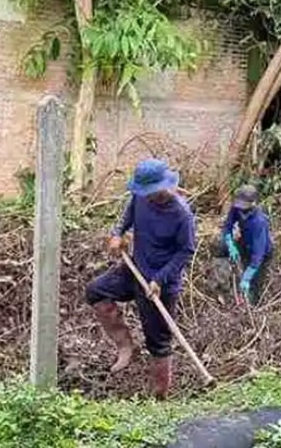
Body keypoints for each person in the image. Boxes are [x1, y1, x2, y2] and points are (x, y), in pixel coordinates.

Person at [85, 158, 196, 399]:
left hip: (161, 283)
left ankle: (159, 397)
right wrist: (117, 234)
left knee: (158, 341)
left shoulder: (182, 215)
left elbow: (185, 251)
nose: (148, 197)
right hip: (135, 269)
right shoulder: (140, 198)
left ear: (164, 186)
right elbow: (127, 218)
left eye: (152, 192)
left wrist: (160, 279)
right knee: (95, 291)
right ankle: (126, 346)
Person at [217, 184, 274, 305]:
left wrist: (247, 276)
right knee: (221, 248)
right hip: (244, 242)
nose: (241, 212)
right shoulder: (236, 208)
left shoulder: (259, 222)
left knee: (253, 286)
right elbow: (227, 226)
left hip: (261, 253)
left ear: (253, 204)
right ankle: (223, 284)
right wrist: (230, 244)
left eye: (244, 209)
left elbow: (258, 255)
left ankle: (253, 306)